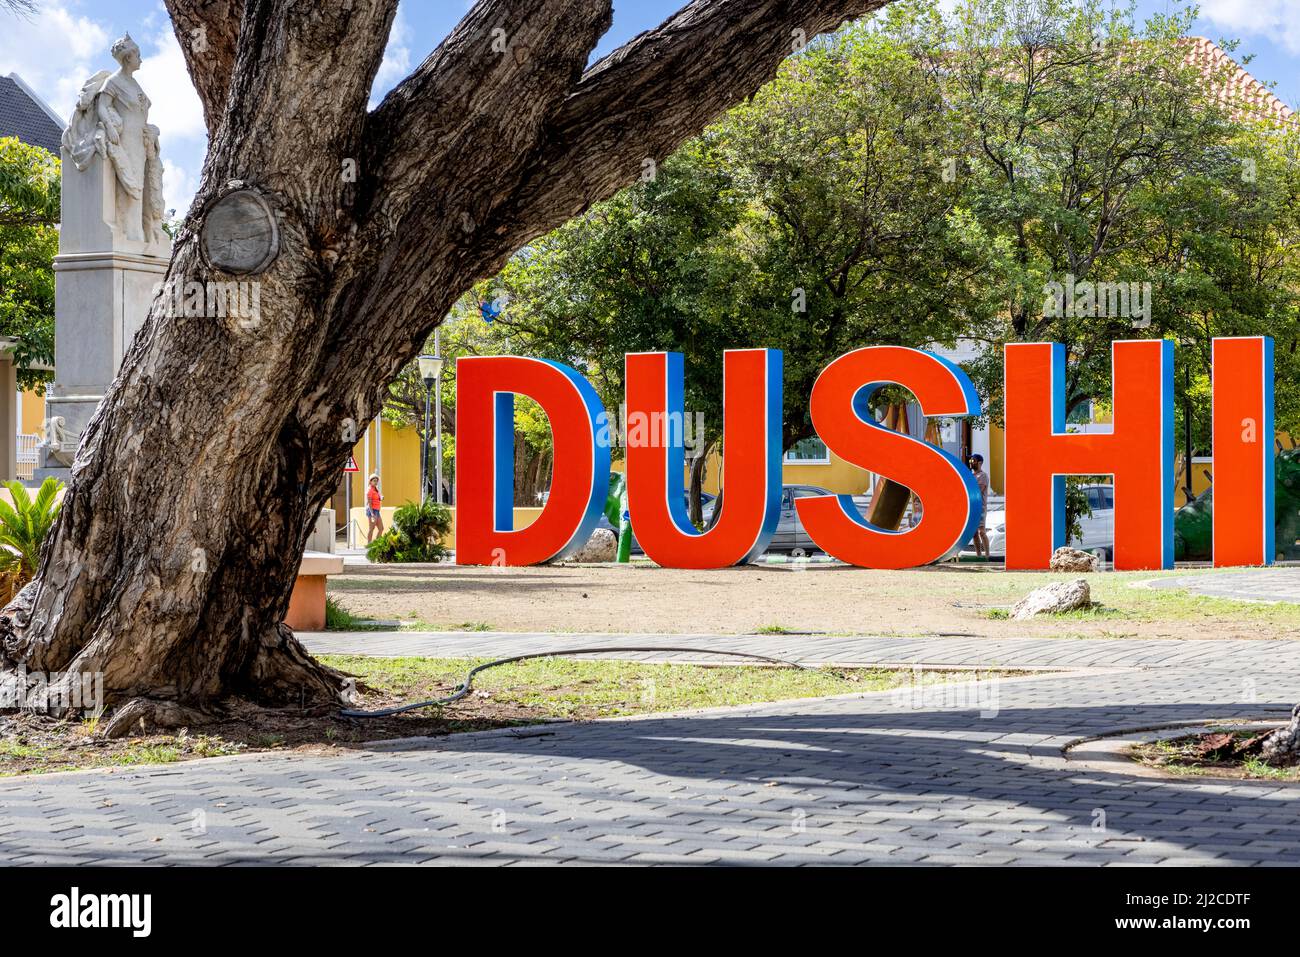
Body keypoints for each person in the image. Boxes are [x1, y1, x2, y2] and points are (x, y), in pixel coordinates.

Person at [969, 454, 990, 559]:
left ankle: (987, 556)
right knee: (974, 533)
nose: (971, 462)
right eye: (971, 460)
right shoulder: (971, 476)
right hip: (972, 507)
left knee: (982, 531)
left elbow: (978, 491)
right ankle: (978, 556)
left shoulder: (983, 476)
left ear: (980, 463)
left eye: (974, 460)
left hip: (980, 507)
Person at [365, 474, 384, 543]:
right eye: (374, 481)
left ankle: (376, 543)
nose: (376, 482)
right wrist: (372, 513)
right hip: (372, 511)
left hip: (377, 510)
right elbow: (369, 503)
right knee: (371, 528)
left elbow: (377, 498)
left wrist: (381, 498)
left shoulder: (375, 490)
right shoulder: (370, 490)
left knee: (381, 528)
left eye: (376, 481)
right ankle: (369, 544)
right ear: (370, 482)